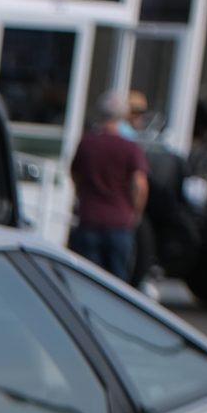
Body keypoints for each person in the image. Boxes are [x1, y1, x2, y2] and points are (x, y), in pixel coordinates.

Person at [69, 92, 148, 283]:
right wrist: (135, 212)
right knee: (117, 285)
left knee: (88, 282)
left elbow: (74, 174)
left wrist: (82, 195)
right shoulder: (129, 147)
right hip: (119, 222)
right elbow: (140, 184)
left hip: (89, 219)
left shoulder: (87, 143)